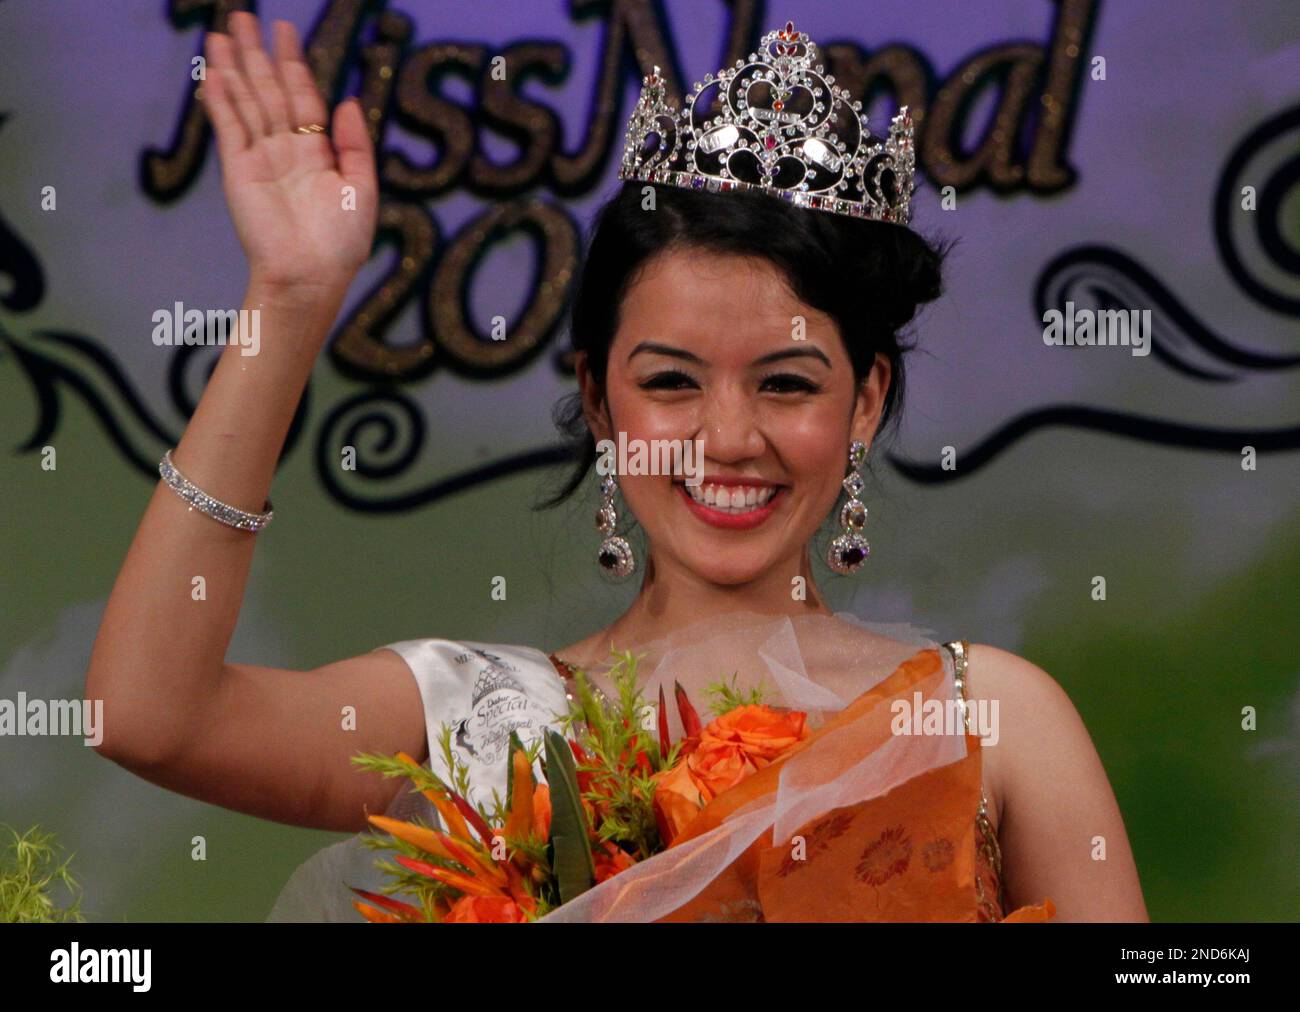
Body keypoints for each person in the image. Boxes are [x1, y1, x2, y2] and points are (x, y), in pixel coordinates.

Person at [85, 11, 1148, 922]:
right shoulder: (481, 715)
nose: (727, 438)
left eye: (785, 383)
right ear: (599, 397)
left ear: (863, 399)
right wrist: (292, 296)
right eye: (671, 382)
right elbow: (146, 714)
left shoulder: (988, 716)